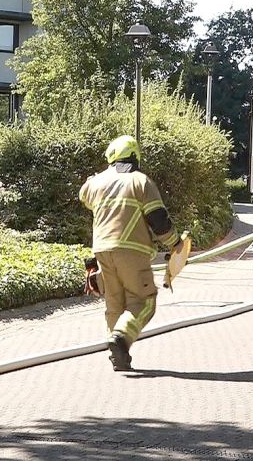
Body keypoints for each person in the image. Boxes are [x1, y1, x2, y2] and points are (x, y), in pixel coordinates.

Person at [79, 135, 180, 371]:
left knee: (115, 303)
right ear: (135, 157)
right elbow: (159, 220)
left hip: (102, 250)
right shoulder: (141, 182)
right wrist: (175, 244)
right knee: (144, 301)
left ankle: (118, 357)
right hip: (132, 251)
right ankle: (120, 339)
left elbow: (84, 195)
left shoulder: (97, 182)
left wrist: (94, 180)